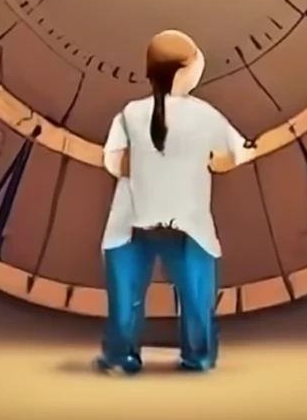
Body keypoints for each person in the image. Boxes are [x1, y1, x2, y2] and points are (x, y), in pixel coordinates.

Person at [96, 30, 255, 374]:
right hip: (187, 222)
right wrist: (204, 162)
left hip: (131, 220)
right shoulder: (204, 115)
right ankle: (198, 357)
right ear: (185, 72)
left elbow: (113, 161)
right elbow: (235, 155)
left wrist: (148, 170)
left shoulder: (130, 113)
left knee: (125, 299)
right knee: (196, 297)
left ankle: (121, 356)